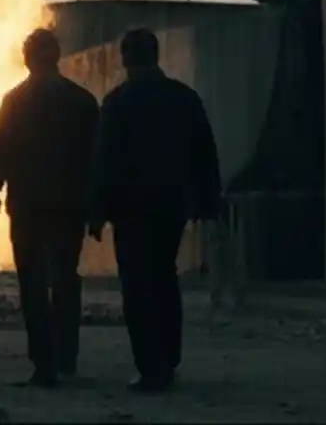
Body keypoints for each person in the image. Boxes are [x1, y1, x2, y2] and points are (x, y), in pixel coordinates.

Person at [88, 28, 221, 392]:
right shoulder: (183, 98)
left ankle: (150, 367)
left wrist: (97, 211)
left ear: (125, 59)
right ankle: (169, 358)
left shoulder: (117, 102)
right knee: (164, 277)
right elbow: (204, 153)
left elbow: (105, 160)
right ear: (156, 56)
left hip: (130, 211)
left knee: (137, 287)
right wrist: (208, 201)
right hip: (171, 206)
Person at [0, 28, 99, 387]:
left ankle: (43, 364)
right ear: (57, 55)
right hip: (69, 204)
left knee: (32, 282)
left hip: (28, 205)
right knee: (65, 278)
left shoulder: (15, 100)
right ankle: (67, 356)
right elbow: (97, 157)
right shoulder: (82, 100)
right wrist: (96, 206)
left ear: (27, 58)